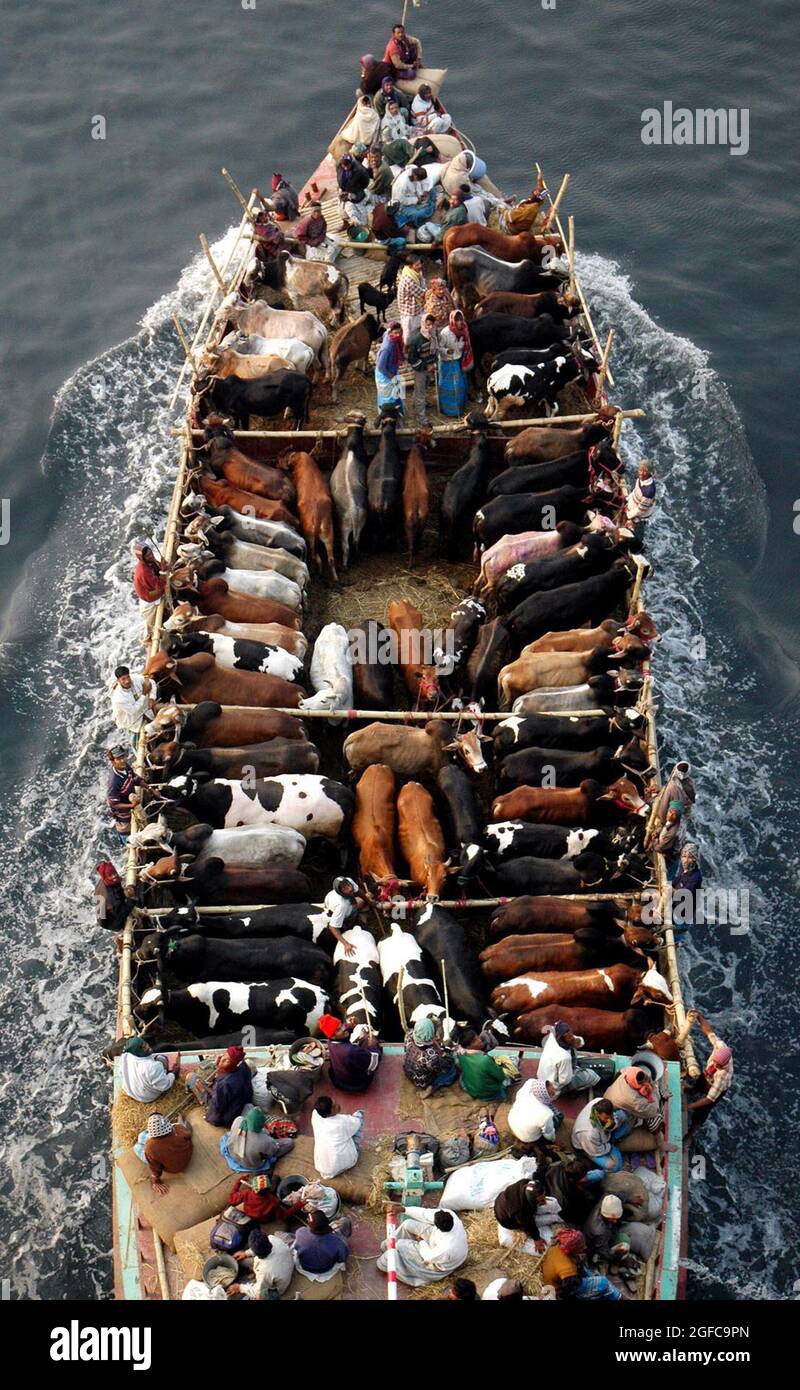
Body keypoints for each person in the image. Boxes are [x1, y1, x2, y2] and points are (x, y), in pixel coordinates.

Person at [377, 1205, 467, 1286]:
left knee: (400, 1245)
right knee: (408, 1224)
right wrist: (402, 1209)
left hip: (437, 1263)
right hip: (435, 1240)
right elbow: (424, 1213)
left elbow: (428, 1256)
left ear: (438, 1227)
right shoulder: (450, 1215)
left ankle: (384, 1263)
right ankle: (386, 1246)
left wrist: (421, 1242)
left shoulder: (447, 1248)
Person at [603, 1065, 676, 1154]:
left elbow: (645, 1079)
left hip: (610, 1097)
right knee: (654, 1118)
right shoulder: (634, 1100)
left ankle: (659, 1095)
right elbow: (653, 1110)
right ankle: (660, 1143)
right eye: (642, 1082)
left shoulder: (627, 1074)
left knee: (653, 1095)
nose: (645, 1081)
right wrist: (651, 1092)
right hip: (618, 1112)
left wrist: (648, 1086)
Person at [686, 1013, 733, 1136]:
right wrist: (699, 1017)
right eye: (715, 1062)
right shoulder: (720, 1046)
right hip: (707, 1076)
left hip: (715, 1087)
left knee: (702, 1112)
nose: (715, 1065)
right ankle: (691, 1090)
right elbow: (709, 1031)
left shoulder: (723, 1075)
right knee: (698, 1085)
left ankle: (690, 1134)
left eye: (718, 1065)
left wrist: (689, 1106)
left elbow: (709, 1099)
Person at [494, 1177, 560, 1253]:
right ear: (531, 1201)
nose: (545, 1201)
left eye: (544, 1196)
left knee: (552, 1204)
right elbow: (529, 1224)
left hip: (505, 1204)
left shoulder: (527, 1183)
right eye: (541, 1200)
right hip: (509, 1221)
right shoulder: (519, 1210)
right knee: (554, 1217)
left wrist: (541, 1201)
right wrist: (537, 1239)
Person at [223, 1104, 295, 1173]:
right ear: (262, 1125)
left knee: (248, 1106)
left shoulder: (238, 1120)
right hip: (250, 1164)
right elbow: (272, 1151)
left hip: (232, 1153)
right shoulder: (265, 1141)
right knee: (289, 1142)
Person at [136, 1112, 193, 1195]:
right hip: (185, 1157)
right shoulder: (177, 1128)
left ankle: (145, 1136)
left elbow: (155, 1167)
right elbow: (188, 1134)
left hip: (172, 1168)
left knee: (137, 1145)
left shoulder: (150, 1147)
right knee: (142, 1138)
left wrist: (155, 1181)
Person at [537, 1020, 601, 1094]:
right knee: (591, 1075)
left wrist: (576, 1041)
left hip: (542, 1076)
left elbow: (579, 1040)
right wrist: (572, 1072)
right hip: (554, 1087)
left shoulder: (554, 1035)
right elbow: (564, 1081)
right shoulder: (564, 1057)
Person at [229, 1229, 295, 1300]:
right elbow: (261, 1248)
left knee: (258, 1296)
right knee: (244, 1262)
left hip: (278, 1288)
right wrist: (245, 1253)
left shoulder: (265, 1271)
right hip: (282, 1267)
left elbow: (257, 1291)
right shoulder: (273, 1239)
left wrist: (240, 1288)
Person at [402, 1016, 457, 1098]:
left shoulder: (408, 1034)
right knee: (451, 1072)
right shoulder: (431, 1056)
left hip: (408, 1070)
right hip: (420, 1081)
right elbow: (444, 1067)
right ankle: (432, 1087)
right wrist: (446, 1053)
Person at [311, 1095, 364, 1179]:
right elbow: (356, 1123)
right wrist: (357, 1115)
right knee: (359, 1115)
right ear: (329, 1112)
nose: (338, 1105)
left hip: (322, 1167)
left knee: (343, 1134)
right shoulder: (341, 1122)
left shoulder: (315, 1115)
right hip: (346, 1163)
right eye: (334, 1106)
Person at [455, 1028, 510, 1106]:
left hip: (469, 1088)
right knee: (508, 1074)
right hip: (487, 1095)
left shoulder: (459, 1053)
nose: (480, 1040)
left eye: (477, 1037)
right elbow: (501, 1077)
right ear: (469, 1046)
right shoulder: (485, 1060)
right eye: (475, 1041)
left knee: (463, 1076)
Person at [203, 1045, 254, 1128]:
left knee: (195, 1081)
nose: (222, 1060)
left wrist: (203, 1092)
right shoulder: (244, 1066)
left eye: (227, 1060)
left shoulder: (224, 1083)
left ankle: (202, 1102)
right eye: (224, 1055)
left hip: (227, 1118)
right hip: (241, 1104)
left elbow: (217, 1107)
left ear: (234, 1064)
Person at [571, 1098, 625, 1175]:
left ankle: (614, 1139)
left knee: (623, 1115)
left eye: (611, 1116)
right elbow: (596, 1150)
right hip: (587, 1148)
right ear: (598, 1114)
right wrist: (610, 1147)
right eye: (606, 1118)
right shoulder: (589, 1133)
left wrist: (613, 1122)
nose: (609, 1120)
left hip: (600, 1138)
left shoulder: (599, 1102)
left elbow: (613, 1118)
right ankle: (599, 1174)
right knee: (614, 1166)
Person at [327, 1019, 383, 1093]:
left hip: (338, 1079)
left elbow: (343, 1031)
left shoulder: (330, 1041)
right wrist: (372, 1046)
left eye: (342, 1025)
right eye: (338, 1029)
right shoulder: (352, 1052)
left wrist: (349, 1026)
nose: (344, 1029)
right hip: (356, 1084)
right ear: (333, 1036)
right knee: (375, 1046)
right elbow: (374, 1064)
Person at [293, 1208, 349, 1280]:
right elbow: (342, 1258)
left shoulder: (300, 1232)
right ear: (327, 1223)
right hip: (325, 1268)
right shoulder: (336, 1241)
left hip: (304, 1265)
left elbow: (296, 1247)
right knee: (345, 1221)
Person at [120, 1036, 179, 1103]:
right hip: (147, 1097)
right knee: (161, 1058)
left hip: (131, 1092)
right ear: (138, 1051)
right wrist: (173, 1073)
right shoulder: (152, 1067)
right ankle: (165, 1075)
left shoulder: (125, 1056)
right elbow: (164, 1086)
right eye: (143, 1047)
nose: (148, 1046)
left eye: (145, 1043)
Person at [108, 665, 155, 747]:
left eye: (128, 677)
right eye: (123, 679)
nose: (127, 681)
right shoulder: (118, 697)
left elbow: (151, 682)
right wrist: (144, 693)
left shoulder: (135, 678)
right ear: (118, 680)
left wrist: (152, 698)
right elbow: (133, 711)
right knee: (147, 738)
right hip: (133, 721)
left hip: (146, 709)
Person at [507, 1076, 562, 1145]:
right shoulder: (546, 1114)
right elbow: (549, 1134)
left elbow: (532, 1081)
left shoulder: (530, 1084)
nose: (554, 1096)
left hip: (512, 1119)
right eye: (551, 1095)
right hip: (526, 1137)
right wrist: (553, 1140)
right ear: (545, 1096)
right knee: (559, 1118)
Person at [437, 309, 472, 416]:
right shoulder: (445, 333)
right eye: (457, 320)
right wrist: (447, 351)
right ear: (452, 321)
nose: (460, 322)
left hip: (459, 360)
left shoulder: (464, 330)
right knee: (451, 386)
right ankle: (450, 411)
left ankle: (460, 408)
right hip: (447, 362)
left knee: (461, 385)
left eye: (461, 319)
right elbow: (439, 347)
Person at [406, 313, 438, 425]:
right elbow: (411, 358)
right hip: (420, 369)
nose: (429, 327)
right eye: (427, 324)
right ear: (422, 324)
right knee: (420, 392)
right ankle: (421, 417)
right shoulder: (416, 340)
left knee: (425, 386)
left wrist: (434, 363)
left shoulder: (434, 337)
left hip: (430, 367)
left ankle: (417, 403)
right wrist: (425, 366)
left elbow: (434, 351)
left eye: (431, 325)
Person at [132, 540, 168, 640]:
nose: (151, 556)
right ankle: (149, 635)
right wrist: (164, 572)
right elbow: (159, 586)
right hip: (149, 595)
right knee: (163, 590)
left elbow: (157, 565)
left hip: (152, 584)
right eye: (147, 556)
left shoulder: (149, 561)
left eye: (150, 553)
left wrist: (163, 565)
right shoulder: (144, 571)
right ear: (142, 558)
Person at [105, 745, 141, 843]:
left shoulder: (126, 767)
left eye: (123, 757)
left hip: (133, 803)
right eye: (118, 759)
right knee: (129, 841)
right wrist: (131, 805)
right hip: (123, 817)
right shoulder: (114, 782)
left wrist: (150, 788)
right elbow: (113, 804)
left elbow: (134, 778)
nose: (123, 760)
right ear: (112, 761)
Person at [374, 321, 407, 415]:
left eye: (399, 332)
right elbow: (380, 366)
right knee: (387, 397)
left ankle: (396, 412)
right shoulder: (387, 348)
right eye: (395, 333)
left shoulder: (392, 339)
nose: (398, 335)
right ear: (391, 333)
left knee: (396, 392)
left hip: (391, 369)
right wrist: (390, 375)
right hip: (384, 374)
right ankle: (386, 416)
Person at [392, 165, 438, 229]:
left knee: (432, 189)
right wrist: (416, 200)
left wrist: (425, 190)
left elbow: (425, 181)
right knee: (418, 214)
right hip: (403, 204)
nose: (420, 181)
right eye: (419, 180)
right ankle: (417, 224)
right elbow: (400, 200)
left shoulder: (414, 169)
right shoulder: (402, 184)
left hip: (414, 194)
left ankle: (430, 204)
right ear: (415, 176)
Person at [671, 843, 703, 934]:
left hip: (684, 911)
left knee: (676, 931)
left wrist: (673, 891)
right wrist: (670, 885)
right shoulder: (683, 867)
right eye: (683, 856)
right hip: (676, 904)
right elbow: (678, 878)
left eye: (689, 857)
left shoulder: (696, 877)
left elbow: (685, 894)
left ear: (694, 859)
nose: (685, 860)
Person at [93, 860, 133, 933]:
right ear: (106, 877)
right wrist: (131, 898)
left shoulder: (103, 880)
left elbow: (116, 879)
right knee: (125, 913)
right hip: (110, 922)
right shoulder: (111, 899)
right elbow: (123, 913)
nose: (114, 876)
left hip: (104, 911)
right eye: (111, 875)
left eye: (114, 873)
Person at [396, 255, 426, 342]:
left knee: (419, 330)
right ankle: (406, 350)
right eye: (416, 265)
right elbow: (422, 294)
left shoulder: (416, 273)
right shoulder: (408, 280)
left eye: (419, 263)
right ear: (410, 266)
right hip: (409, 311)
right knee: (409, 336)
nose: (420, 266)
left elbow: (423, 285)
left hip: (418, 307)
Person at [654, 801, 684, 879]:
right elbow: (664, 826)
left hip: (671, 859)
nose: (670, 815)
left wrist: (655, 842)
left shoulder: (673, 832)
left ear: (678, 816)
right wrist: (657, 832)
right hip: (670, 855)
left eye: (674, 814)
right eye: (670, 812)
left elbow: (660, 848)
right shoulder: (671, 821)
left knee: (668, 879)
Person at [626, 460, 657, 529]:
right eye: (640, 470)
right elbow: (635, 490)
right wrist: (627, 499)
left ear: (649, 473)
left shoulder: (649, 491)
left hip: (639, 513)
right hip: (633, 503)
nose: (641, 473)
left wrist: (628, 515)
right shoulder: (641, 478)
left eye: (645, 471)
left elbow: (641, 510)